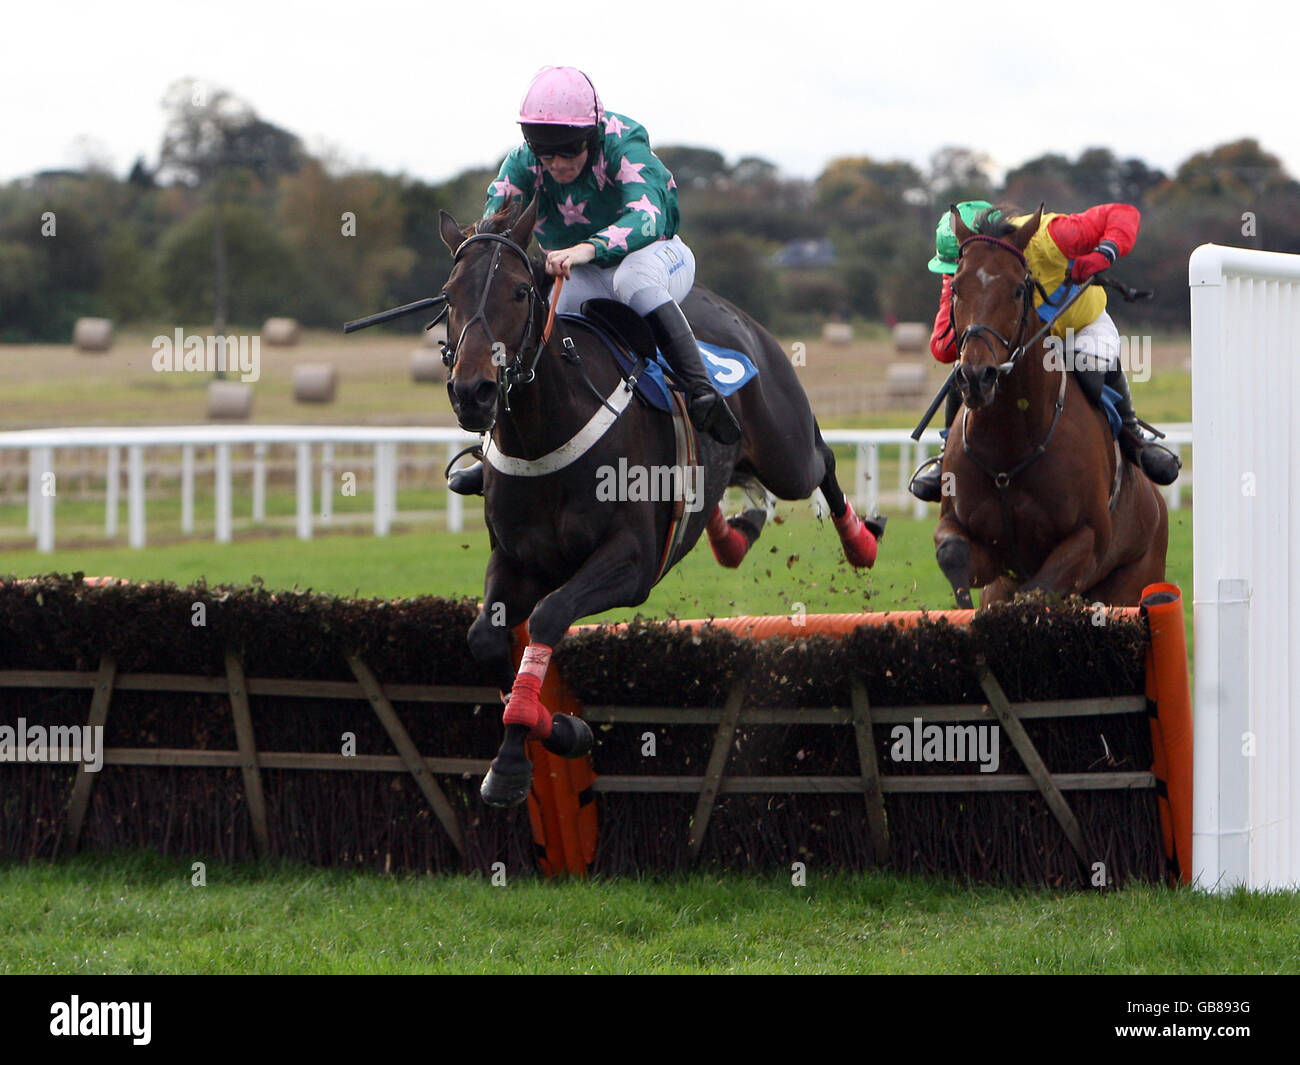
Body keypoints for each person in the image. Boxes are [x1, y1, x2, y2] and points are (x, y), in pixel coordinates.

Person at [448, 66, 740, 495]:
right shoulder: (523, 162)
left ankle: (701, 393)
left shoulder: (623, 143)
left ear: (590, 137)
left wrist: (587, 249)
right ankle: (496, 451)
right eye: (548, 156)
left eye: (569, 154)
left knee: (632, 279)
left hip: (657, 255)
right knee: (537, 331)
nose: (558, 165)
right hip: (580, 273)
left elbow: (646, 216)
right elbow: (497, 226)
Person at [909, 199, 1180, 502]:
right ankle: (948, 454)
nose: (954, 273)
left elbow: (1123, 213)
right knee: (968, 368)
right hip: (1025, 341)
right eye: (954, 268)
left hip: (1080, 327)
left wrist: (1105, 252)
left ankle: (1133, 439)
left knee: (1089, 370)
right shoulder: (971, 273)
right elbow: (944, 347)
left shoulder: (1052, 237)